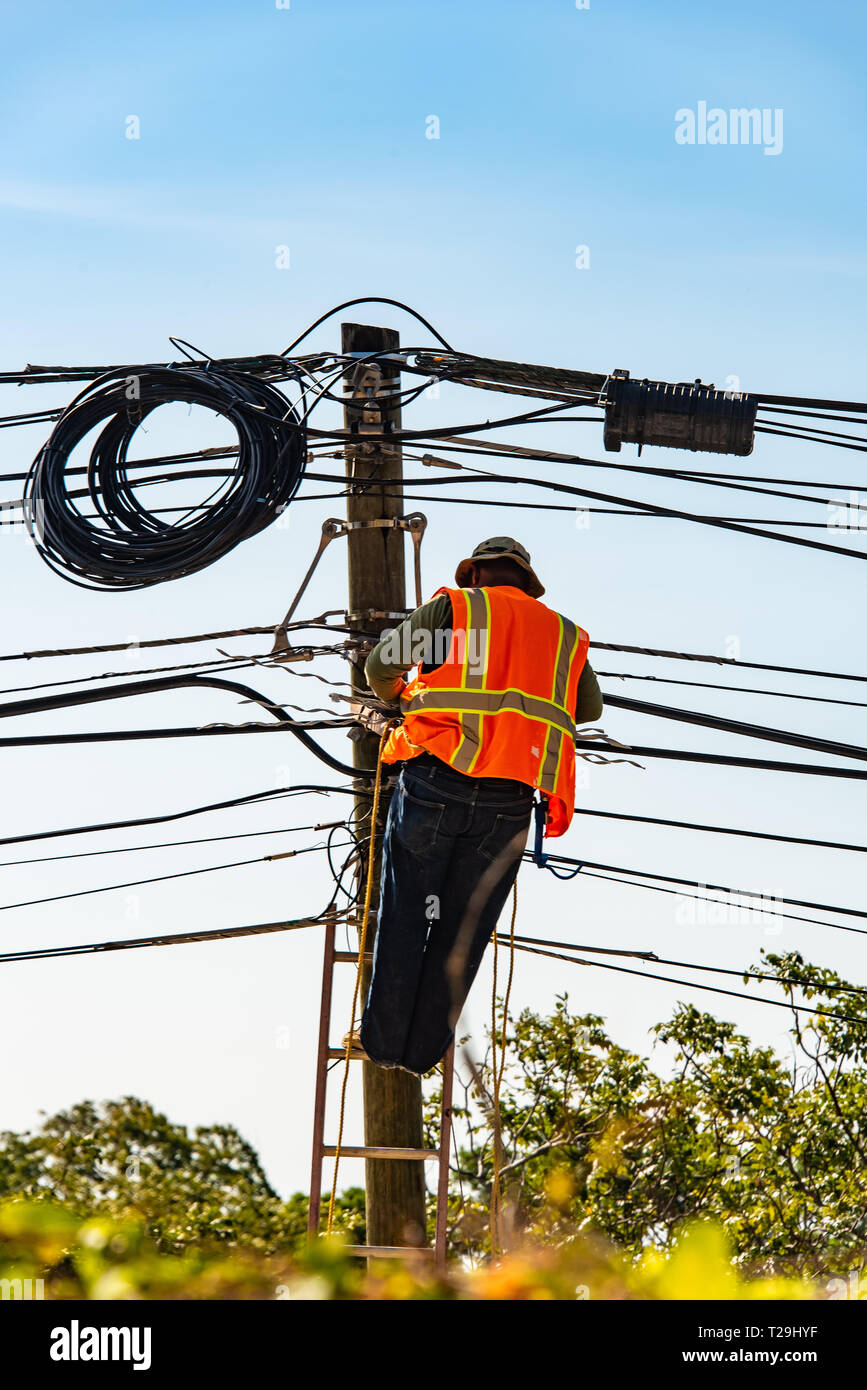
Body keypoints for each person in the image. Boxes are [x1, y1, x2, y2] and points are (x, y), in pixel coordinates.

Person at [359, 536, 603, 1075]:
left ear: (476, 575)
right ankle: (423, 1051)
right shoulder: (562, 634)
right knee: (461, 934)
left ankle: (382, 1044)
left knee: (405, 915)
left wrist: (405, 698)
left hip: (435, 785)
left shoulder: (456, 608)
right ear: (526, 583)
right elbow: (587, 709)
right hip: (508, 805)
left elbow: (380, 665)